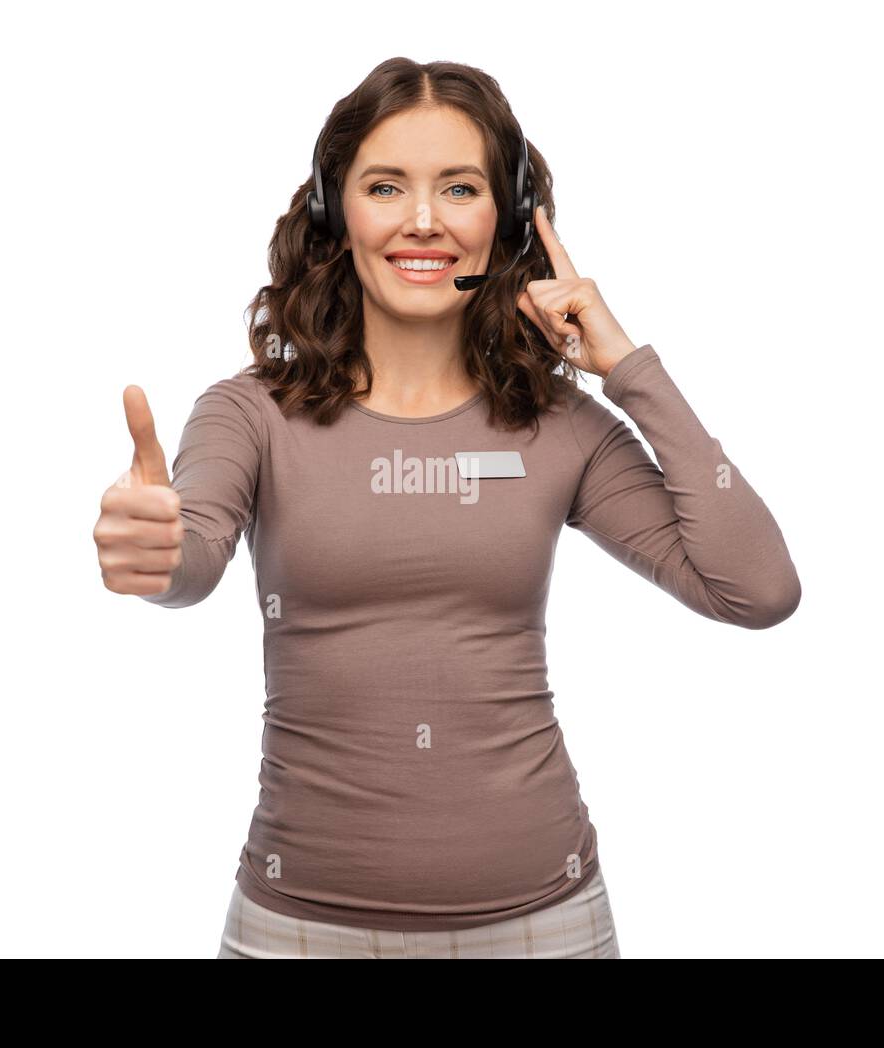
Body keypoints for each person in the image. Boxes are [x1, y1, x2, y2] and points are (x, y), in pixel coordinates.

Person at [92, 57, 801, 959]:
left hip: (546, 928)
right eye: (385, 186)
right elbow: (189, 559)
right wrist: (153, 554)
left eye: (458, 187)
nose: (422, 220)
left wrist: (628, 370)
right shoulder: (249, 413)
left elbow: (758, 589)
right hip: (296, 928)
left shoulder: (562, 426)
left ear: (505, 221)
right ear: (331, 213)